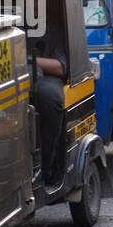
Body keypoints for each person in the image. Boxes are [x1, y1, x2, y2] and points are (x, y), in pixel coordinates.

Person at [31, 31, 67, 184]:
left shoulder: (51, 29)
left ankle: (45, 168)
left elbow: (61, 66)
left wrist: (29, 61)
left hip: (43, 75)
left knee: (49, 97)